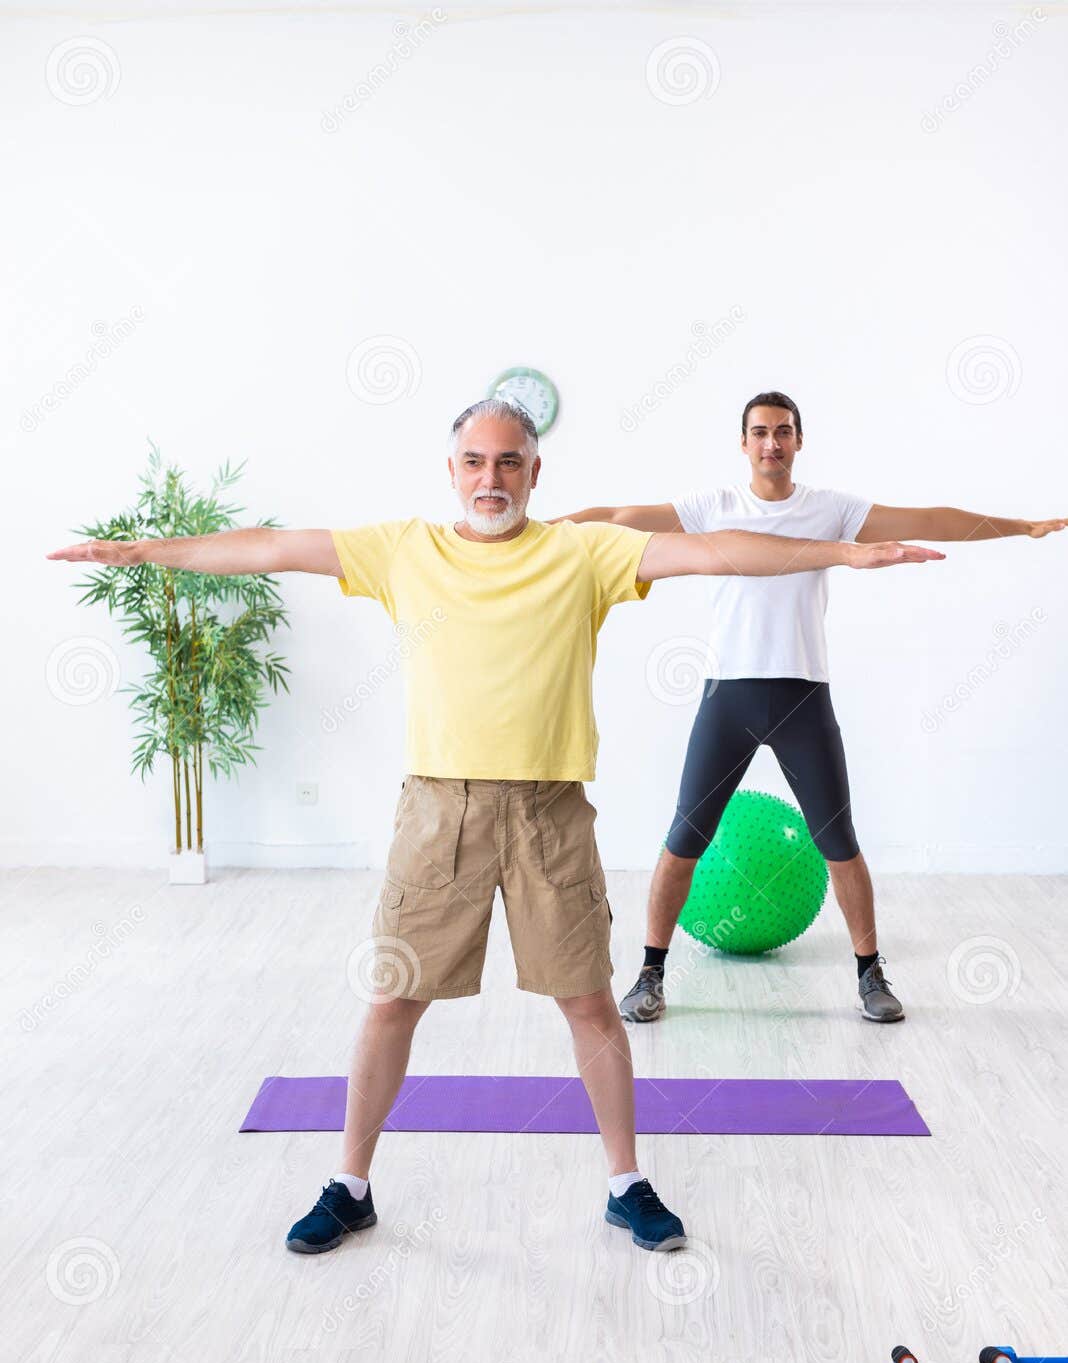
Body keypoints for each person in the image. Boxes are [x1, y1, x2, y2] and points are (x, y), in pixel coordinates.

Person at [48, 398, 942, 1255]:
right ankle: (350, 1187)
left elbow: (715, 552)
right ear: (452, 471)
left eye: (508, 461)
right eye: (475, 461)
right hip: (439, 811)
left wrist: (841, 553)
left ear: (535, 471)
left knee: (589, 1004)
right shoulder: (404, 551)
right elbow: (274, 546)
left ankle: (625, 1182)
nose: (491, 477)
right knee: (393, 999)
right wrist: (146, 552)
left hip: (550, 811)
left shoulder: (584, 553)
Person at [559, 390, 1066, 1026]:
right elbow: (620, 513)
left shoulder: (830, 509)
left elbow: (930, 518)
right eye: (760, 432)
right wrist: (542, 529)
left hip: (803, 695)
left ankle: (870, 974)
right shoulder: (712, 506)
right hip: (729, 695)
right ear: (743, 443)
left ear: (800, 441)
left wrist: (1019, 528)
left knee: (839, 842)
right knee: (685, 837)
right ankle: (650, 974)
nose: (772, 442)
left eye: (784, 431)